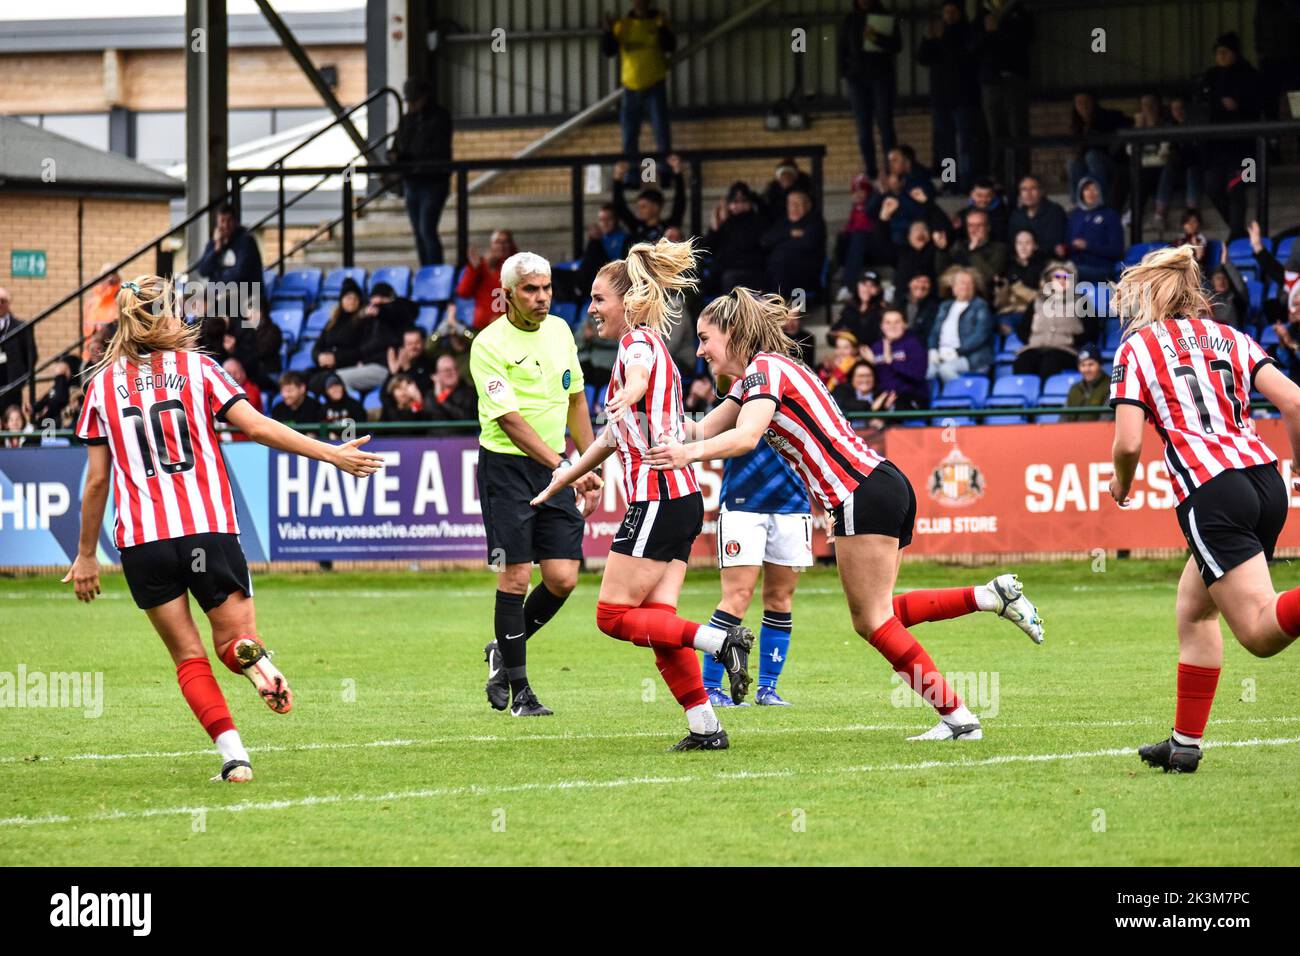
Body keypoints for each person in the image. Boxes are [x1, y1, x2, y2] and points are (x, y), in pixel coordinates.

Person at [643, 286, 1043, 743]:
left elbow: (745, 438)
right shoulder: (761, 375)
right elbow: (701, 427)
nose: (700, 350)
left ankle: (959, 719)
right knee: (883, 614)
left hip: (859, 493)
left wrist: (685, 454)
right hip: (883, 485)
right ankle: (989, 597)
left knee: (871, 621)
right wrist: (648, 417)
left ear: (732, 332)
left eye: (705, 338)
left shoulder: (764, 371)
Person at [62, 274, 383, 783]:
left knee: (189, 658)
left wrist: (84, 556)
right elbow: (256, 427)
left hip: (144, 542)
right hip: (208, 530)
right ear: (162, 315)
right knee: (234, 644)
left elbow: (97, 481)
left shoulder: (100, 386)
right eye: (174, 308)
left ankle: (235, 758)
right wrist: (330, 453)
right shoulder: (198, 368)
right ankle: (255, 660)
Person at [530, 240, 755, 751]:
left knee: (611, 616)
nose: (591, 308)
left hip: (656, 501)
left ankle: (722, 640)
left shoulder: (636, 346)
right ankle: (706, 728)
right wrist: (563, 478)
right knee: (659, 626)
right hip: (680, 501)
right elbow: (612, 438)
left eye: (598, 299)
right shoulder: (652, 349)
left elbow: (635, 379)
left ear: (629, 302)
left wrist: (628, 392)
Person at [1108, 244, 1300, 773]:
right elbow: (1295, 401)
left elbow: (1127, 445)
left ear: (1148, 293)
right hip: (1264, 481)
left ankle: (1185, 742)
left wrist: (1120, 484)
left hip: (1212, 492)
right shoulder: (1233, 338)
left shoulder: (1138, 349)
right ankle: (1183, 744)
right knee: (1195, 609)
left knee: (1260, 634)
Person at [471, 252, 600, 717]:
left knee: (563, 578)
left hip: (558, 466)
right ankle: (522, 692)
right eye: (530, 289)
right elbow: (510, 422)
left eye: (546, 288)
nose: (542, 297)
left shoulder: (562, 330)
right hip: (507, 469)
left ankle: (500, 652)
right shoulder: (487, 344)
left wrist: (587, 463)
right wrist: (569, 466)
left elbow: (576, 401)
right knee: (517, 576)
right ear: (506, 295)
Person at [704, 432, 814, 707]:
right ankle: (709, 687)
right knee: (737, 597)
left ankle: (768, 688)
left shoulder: (803, 394)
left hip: (792, 505)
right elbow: (724, 388)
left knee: (780, 597)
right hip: (743, 503)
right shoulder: (742, 389)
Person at [602, 1, 676, 183]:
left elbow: (670, 46)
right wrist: (608, 32)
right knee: (629, 134)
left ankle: (665, 173)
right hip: (631, 88)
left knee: (661, 132)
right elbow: (609, 51)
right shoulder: (623, 25)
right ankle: (632, 176)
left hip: (654, 85)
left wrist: (663, 28)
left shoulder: (657, 22)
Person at [1201, 32, 1263, 240]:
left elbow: (1258, 105)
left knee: (1236, 187)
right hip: (1217, 147)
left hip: (1243, 146)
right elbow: (1203, 101)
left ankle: (1237, 234)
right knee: (1211, 186)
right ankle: (1239, 230)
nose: (1221, 57)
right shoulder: (1211, 76)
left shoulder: (1249, 75)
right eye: (1217, 53)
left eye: (1225, 52)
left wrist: (1239, 105)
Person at [389, 77, 453, 266]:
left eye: (415, 100)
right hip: (413, 181)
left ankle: (435, 272)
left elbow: (437, 151)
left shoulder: (440, 118)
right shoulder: (407, 120)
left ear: (425, 97)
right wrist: (395, 155)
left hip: (433, 181)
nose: (413, 105)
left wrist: (405, 156)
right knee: (419, 232)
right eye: (410, 101)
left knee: (427, 230)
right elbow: (397, 145)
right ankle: (427, 271)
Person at [917, 2, 979, 194]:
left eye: (953, 12)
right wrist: (928, 39)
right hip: (940, 98)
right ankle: (950, 180)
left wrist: (941, 39)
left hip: (962, 97)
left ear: (959, 14)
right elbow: (923, 58)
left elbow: (960, 57)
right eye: (946, 12)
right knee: (946, 144)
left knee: (965, 143)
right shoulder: (937, 36)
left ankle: (967, 181)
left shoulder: (966, 33)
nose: (949, 15)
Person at [838, 0, 901, 181]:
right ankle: (871, 169)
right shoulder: (850, 20)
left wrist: (876, 37)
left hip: (881, 77)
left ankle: (892, 169)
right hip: (857, 79)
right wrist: (845, 72)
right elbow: (842, 48)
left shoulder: (885, 16)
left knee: (885, 125)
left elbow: (897, 46)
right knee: (863, 128)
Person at [973, 0, 1034, 184]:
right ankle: (998, 177)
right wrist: (988, 33)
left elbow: (1027, 39)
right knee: (995, 132)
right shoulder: (981, 15)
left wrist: (1000, 31)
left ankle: (1023, 175)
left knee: (1018, 129)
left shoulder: (1020, 11)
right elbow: (972, 47)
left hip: (1014, 78)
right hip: (990, 82)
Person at [336, 282, 419, 395]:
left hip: (384, 367)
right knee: (327, 379)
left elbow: (391, 312)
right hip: (367, 365)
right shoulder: (370, 319)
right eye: (374, 298)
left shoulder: (399, 312)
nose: (376, 302)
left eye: (381, 299)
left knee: (336, 379)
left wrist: (380, 310)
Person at [1013, 261, 1086, 379]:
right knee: (1022, 362)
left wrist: (1073, 340)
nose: (1061, 281)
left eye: (1066, 277)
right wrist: (1034, 340)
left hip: (1065, 350)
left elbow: (1091, 330)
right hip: (1036, 348)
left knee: (1050, 362)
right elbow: (1023, 328)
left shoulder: (1081, 302)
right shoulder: (1036, 302)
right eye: (1057, 277)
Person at [927, 268, 995, 381]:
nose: (966, 286)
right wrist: (933, 349)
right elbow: (934, 332)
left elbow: (981, 334)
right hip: (942, 354)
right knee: (927, 372)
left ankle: (961, 394)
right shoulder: (945, 306)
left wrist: (957, 351)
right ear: (953, 287)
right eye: (962, 283)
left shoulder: (980, 305)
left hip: (970, 356)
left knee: (946, 370)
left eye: (970, 283)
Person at [701, 181, 767, 296]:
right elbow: (707, 249)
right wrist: (715, 227)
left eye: (743, 201)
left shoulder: (757, 221)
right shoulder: (724, 222)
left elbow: (747, 245)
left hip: (751, 270)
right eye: (735, 201)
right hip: (725, 272)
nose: (739, 205)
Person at [1067, 91, 1132, 207]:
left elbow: (1116, 147)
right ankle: (1077, 203)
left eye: (1086, 102)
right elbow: (1078, 153)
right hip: (1089, 166)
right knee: (1073, 162)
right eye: (1079, 103)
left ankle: (1098, 200)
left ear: (1094, 103)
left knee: (1092, 156)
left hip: (1113, 165)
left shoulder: (1108, 118)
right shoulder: (1077, 125)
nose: (1083, 106)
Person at [762, 189, 827, 298]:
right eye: (791, 204)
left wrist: (779, 244)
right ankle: (778, 309)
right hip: (780, 270)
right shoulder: (783, 222)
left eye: (798, 204)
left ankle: (787, 309)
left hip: (806, 272)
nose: (794, 207)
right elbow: (765, 241)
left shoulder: (815, 221)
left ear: (808, 206)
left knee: (781, 265)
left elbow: (807, 244)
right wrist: (789, 233)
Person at [612, 154, 687, 244]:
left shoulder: (668, 227)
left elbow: (680, 203)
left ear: (656, 207)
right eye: (639, 207)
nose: (639, 210)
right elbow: (620, 207)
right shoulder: (636, 226)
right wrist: (617, 178)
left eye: (644, 206)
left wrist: (678, 173)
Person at [935, 207, 1009, 296]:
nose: (974, 230)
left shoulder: (999, 248)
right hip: (955, 295)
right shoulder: (959, 246)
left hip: (983, 296)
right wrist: (942, 250)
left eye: (979, 225)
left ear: (988, 227)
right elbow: (942, 273)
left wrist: (973, 252)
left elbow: (989, 276)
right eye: (971, 225)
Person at [310, 277, 367, 393]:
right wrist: (319, 357)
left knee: (317, 382)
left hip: (344, 368)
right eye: (348, 297)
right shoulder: (332, 323)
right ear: (341, 300)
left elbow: (361, 350)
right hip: (323, 367)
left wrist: (336, 358)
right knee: (298, 377)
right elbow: (317, 347)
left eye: (355, 298)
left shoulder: (363, 322)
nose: (352, 301)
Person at [455, 229, 518, 330]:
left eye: (505, 242)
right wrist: (474, 269)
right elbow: (463, 293)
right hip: (482, 327)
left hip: (510, 325)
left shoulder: (517, 267)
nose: (501, 246)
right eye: (497, 242)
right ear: (491, 245)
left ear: (511, 245)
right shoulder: (481, 266)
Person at [1066, 177, 1124, 285]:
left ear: (1101, 192)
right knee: (1052, 270)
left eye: (1095, 189)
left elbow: (1117, 250)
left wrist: (1088, 246)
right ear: (1081, 192)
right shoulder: (1075, 215)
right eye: (1087, 189)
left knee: (1065, 273)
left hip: (1101, 268)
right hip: (1074, 264)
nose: (1091, 193)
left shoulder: (1110, 215)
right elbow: (1068, 242)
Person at [869, 307, 929, 409]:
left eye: (897, 322)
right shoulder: (876, 347)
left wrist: (891, 361)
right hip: (882, 396)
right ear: (882, 326)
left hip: (910, 396)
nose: (892, 326)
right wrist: (871, 363)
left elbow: (918, 374)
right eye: (888, 322)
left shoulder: (914, 345)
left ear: (905, 325)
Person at [1007, 175, 1068, 259]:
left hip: (1050, 262)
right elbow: (1013, 244)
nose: (1028, 193)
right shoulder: (1017, 215)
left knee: (1067, 272)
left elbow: (1055, 246)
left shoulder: (1055, 212)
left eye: (1033, 188)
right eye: (1024, 189)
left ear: (1041, 191)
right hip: (1023, 263)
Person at [833, 359, 895, 429]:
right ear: (852, 378)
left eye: (869, 376)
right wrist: (872, 408)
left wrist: (887, 409)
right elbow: (844, 406)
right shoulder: (842, 392)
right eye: (861, 376)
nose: (865, 380)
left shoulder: (882, 396)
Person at [832, 270, 886, 346]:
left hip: (876, 354)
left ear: (878, 290)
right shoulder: (849, 308)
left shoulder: (883, 311)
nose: (867, 289)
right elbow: (832, 335)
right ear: (857, 286)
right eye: (864, 284)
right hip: (851, 353)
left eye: (872, 285)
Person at [0, 287, 37, 395]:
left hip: (12, 383)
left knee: (13, 411)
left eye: (3, 301)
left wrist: (21, 377)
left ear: (9, 303)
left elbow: (31, 355)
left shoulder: (20, 327)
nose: (0, 304)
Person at [427, 354, 477, 431]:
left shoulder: (469, 393)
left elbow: (467, 419)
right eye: (446, 370)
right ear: (438, 374)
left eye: (454, 369)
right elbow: (427, 416)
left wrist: (442, 398)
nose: (450, 373)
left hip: (461, 439)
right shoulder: (431, 394)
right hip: (432, 440)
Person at [1061, 346, 1110, 421]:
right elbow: (1063, 419)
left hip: (1098, 432)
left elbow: (1106, 420)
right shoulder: (1074, 389)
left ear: (1100, 365)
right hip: (1071, 432)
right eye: (1083, 365)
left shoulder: (1111, 386)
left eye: (1091, 364)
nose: (1087, 369)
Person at [222, 358, 262, 424]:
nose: (232, 376)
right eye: (228, 373)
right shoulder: (220, 389)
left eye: (235, 372)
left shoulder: (252, 390)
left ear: (243, 373)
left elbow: (243, 413)